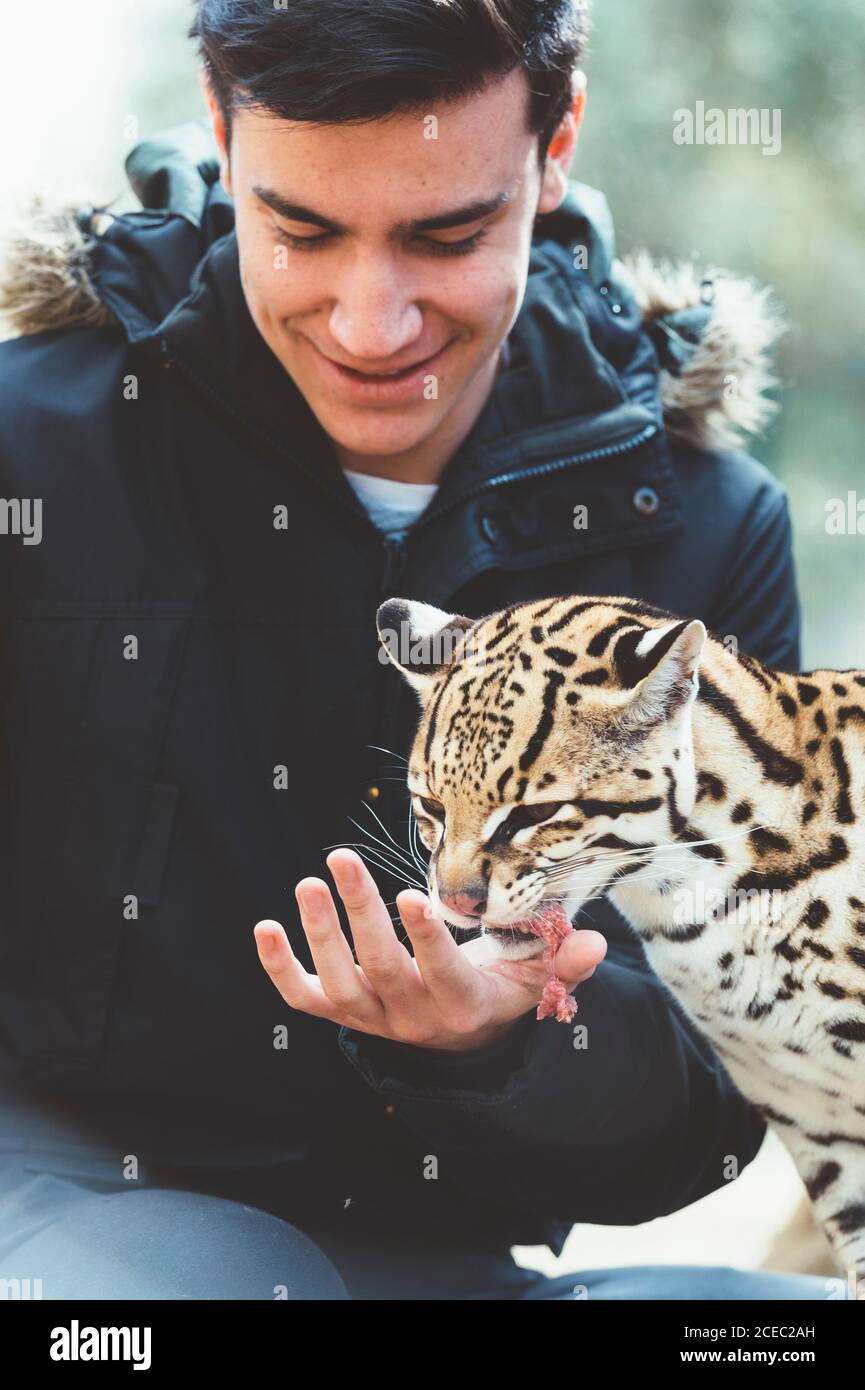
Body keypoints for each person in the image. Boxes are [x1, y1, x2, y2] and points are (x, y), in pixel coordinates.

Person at [0, 0, 839, 1300]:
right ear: (222, 136)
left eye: (444, 236)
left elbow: (713, 1102)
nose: (369, 323)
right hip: (61, 1237)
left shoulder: (706, 534)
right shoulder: (33, 449)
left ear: (555, 146)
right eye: (302, 230)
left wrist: (508, 1037)